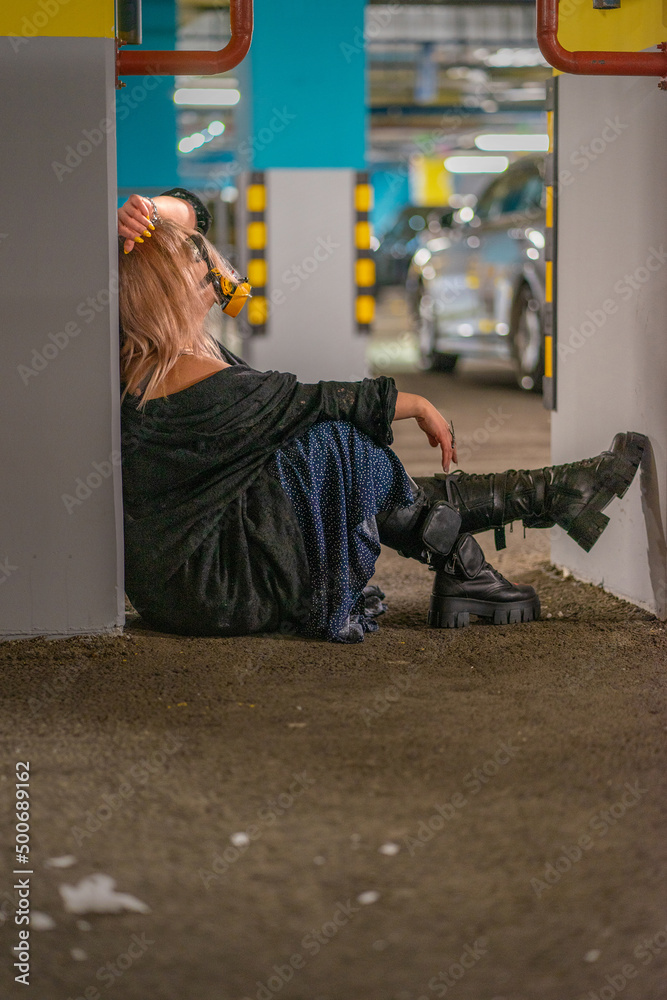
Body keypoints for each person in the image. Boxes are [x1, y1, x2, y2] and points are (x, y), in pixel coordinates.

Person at [117, 189, 647, 641]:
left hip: (186, 584)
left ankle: (521, 520)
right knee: (329, 444)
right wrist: (412, 403)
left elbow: (189, 214)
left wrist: (144, 208)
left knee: (339, 465)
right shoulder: (191, 375)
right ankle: (515, 525)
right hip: (220, 587)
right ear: (167, 287)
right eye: (196, 264)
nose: (211, 271)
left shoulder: (140, 358)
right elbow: (310, 401)